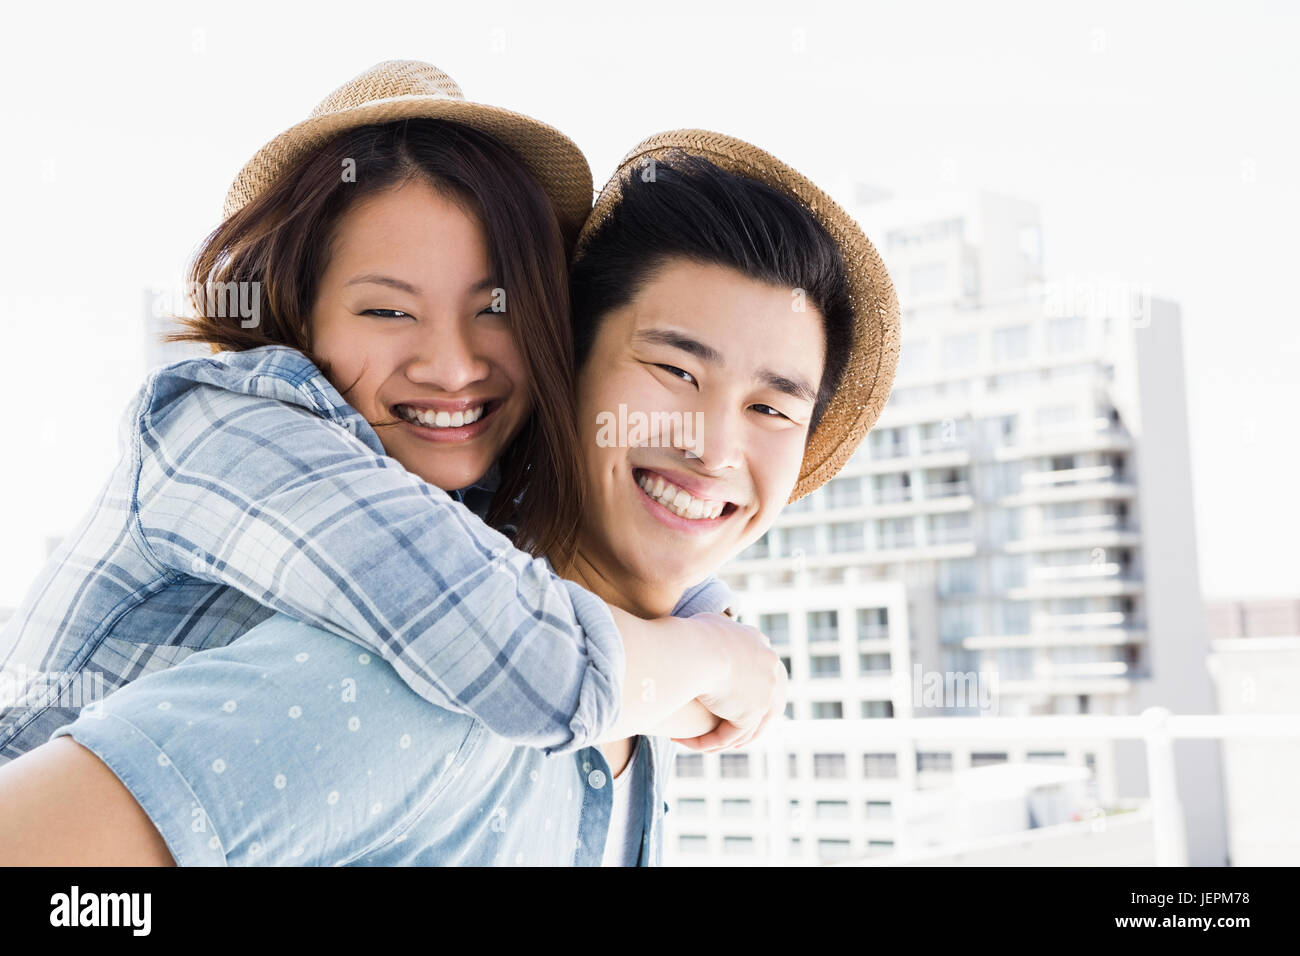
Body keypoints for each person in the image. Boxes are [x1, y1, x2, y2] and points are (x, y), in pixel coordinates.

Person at [0, 132, 901, 865]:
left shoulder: (638, 704)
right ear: (567, 366)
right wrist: (719, 656)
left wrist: (708, 641)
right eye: (672, 371)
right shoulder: (415, 673)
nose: (712, 446)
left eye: (772, 407)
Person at [0, 61, 783, 767]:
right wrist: (726, 659)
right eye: (386, 311)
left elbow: (596, 577)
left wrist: (708, 622)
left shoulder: (442, 477)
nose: (452, 367)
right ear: (296, 314)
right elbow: (539, 671)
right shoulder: (229, 430)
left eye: (495, 310)